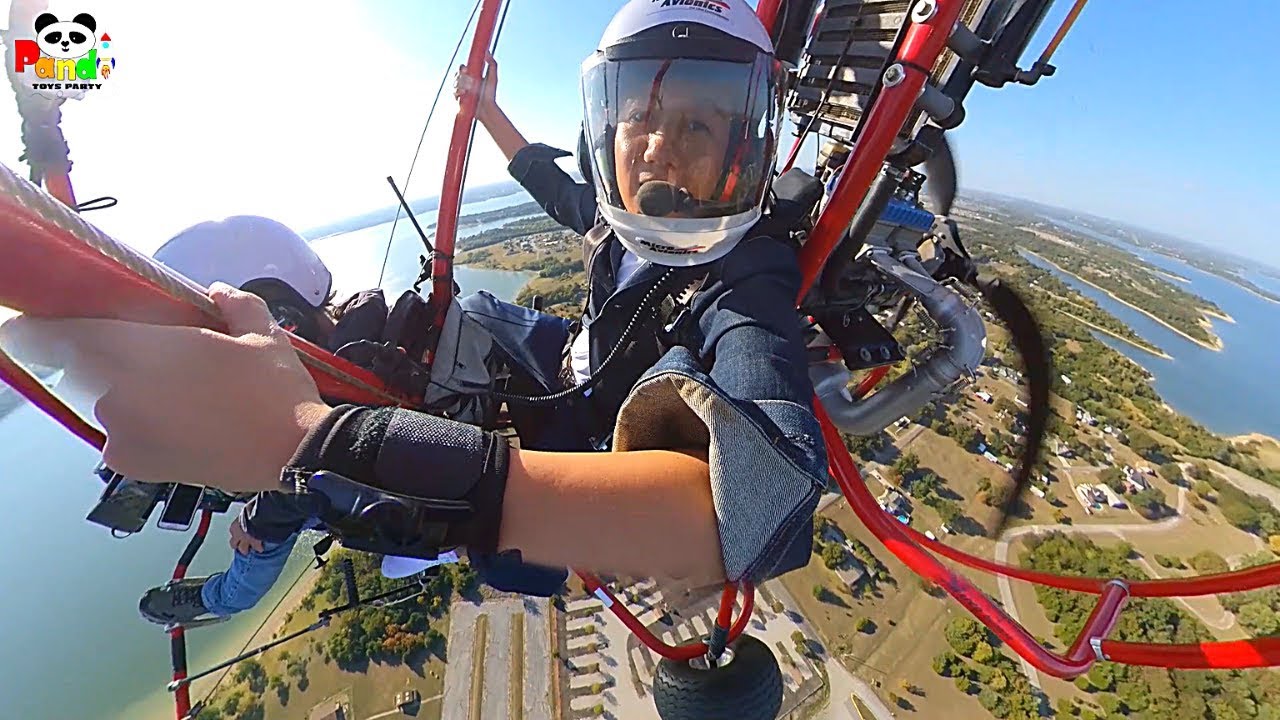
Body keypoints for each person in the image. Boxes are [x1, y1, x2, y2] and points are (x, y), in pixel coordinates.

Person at [1, 0, 827, 592]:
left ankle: (348, 498)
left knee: (505, 555)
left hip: (587, 427)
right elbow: (550, 181)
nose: (656, 151)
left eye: (695, 126)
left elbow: (761, 510)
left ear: (743, 145)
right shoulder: (615, 223)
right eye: (641, 123)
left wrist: (327, 442)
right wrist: (491, 110)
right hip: (556, 352)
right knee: (418, 329)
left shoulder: (745, 277)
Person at [136, 216, 457, 625]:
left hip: (373, 489)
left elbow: (304, 473)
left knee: (257, 548)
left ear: (280, 321)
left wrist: (254, 521)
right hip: (384, 467)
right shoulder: (353, 341)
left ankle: (219, 600)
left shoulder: (337, 391)